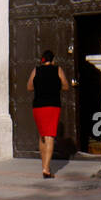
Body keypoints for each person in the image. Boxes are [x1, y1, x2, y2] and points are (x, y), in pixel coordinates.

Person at [27, 49, 69, 178]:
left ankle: (44, 166)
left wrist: (40, 87)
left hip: (38, 106)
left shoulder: (36, 70)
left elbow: (29, 87)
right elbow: (66, 86)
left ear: (42, 59)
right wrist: (55, 87)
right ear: (53, 60)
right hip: (52, 106)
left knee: (42, 136)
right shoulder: (58, 70)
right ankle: (46, 169)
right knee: (50, 136)